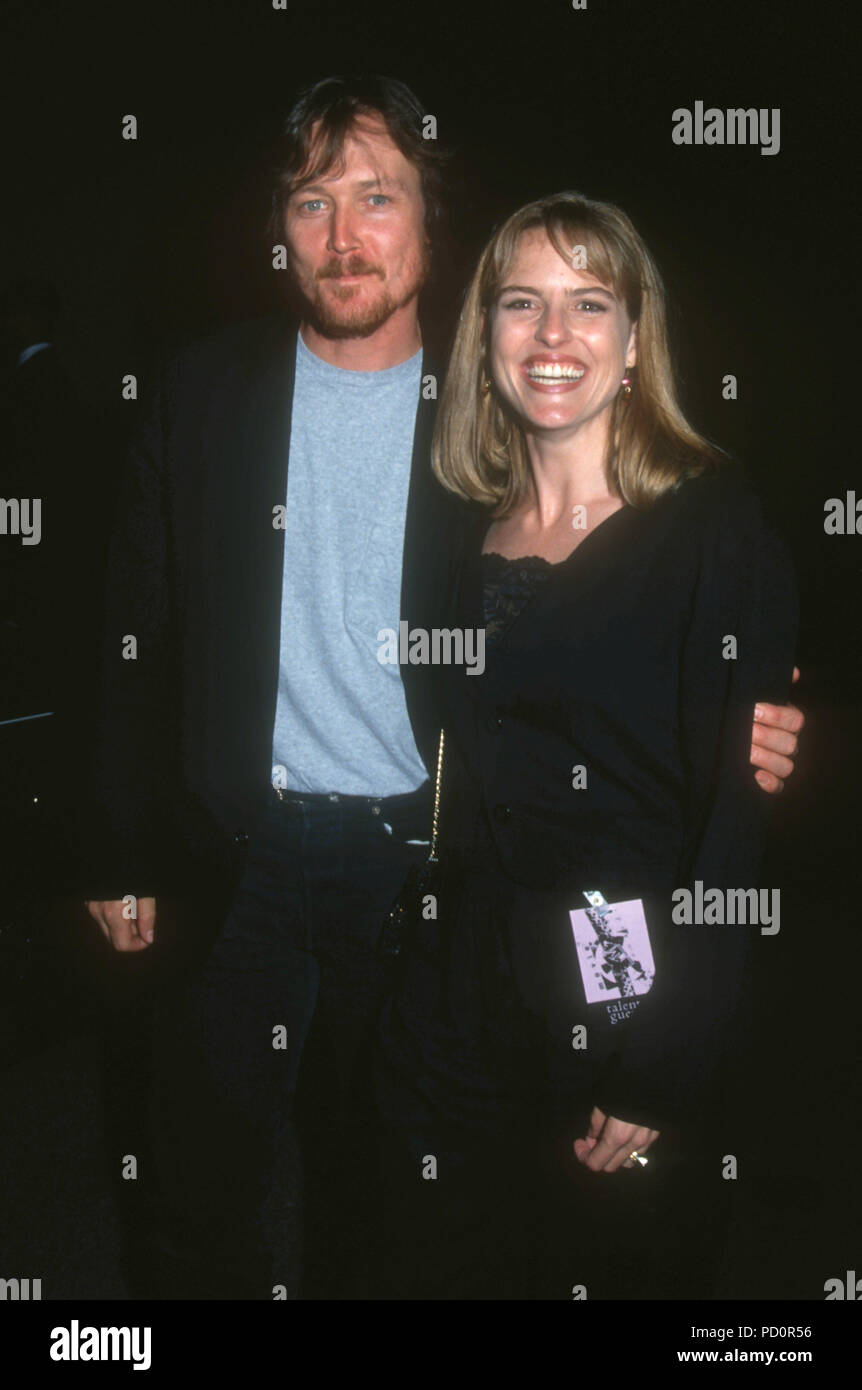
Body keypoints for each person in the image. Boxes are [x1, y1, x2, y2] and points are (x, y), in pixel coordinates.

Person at [81, 79, 802, 1300]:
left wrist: (750, 726)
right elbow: (131, 630)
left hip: (415, 867)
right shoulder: (203, 392)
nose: (346, 234)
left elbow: (635, 613)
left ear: (429, 222)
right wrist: (113, 837)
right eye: (313, 202)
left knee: (387, 1194)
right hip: (235, 850)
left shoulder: (483, 423)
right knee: (199, 1183)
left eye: (378, 197)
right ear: (279, 224)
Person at [373, 191, 800, 1300]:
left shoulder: (711, 526)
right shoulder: (460, 538)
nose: (553, 335)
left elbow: (731, 836)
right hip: (457, 999)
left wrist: (666, 1059)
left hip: (628, 992)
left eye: (588, 303)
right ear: (486, 339)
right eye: (522, 303)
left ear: (632, 342)